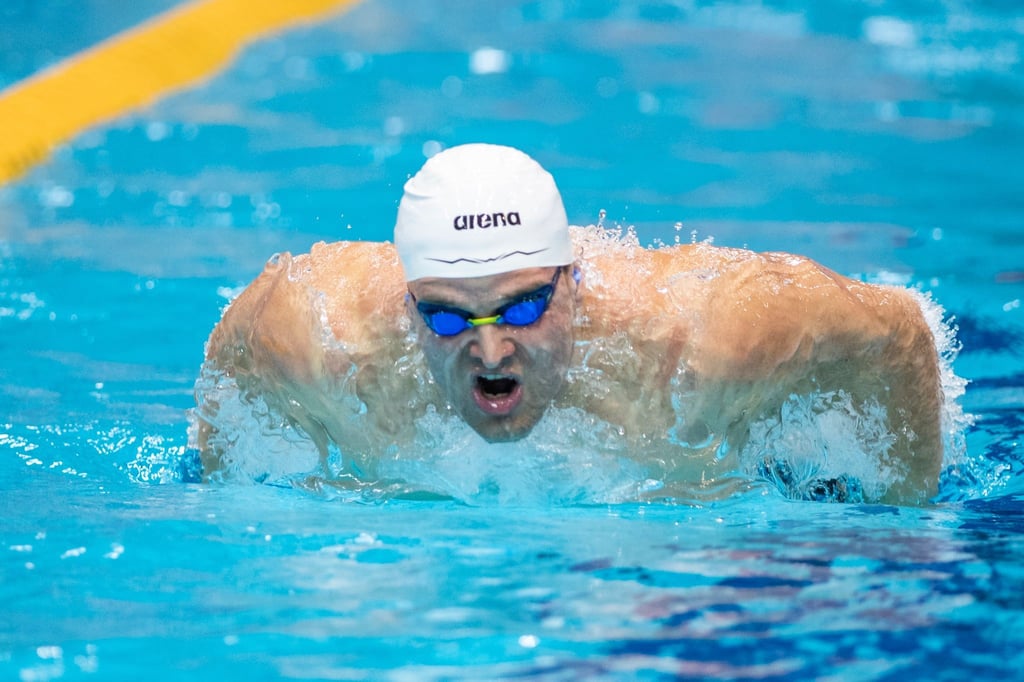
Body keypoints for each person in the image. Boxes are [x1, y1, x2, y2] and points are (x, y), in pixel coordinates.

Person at [192, 143, 954, 505]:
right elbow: (232, 357)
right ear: (406, 305)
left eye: (524, 308)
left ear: (575, 286)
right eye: (448, 319)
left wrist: (906, 517)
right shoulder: (320, 337)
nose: (490, 350)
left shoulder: (704, 345)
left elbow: (900, 332)